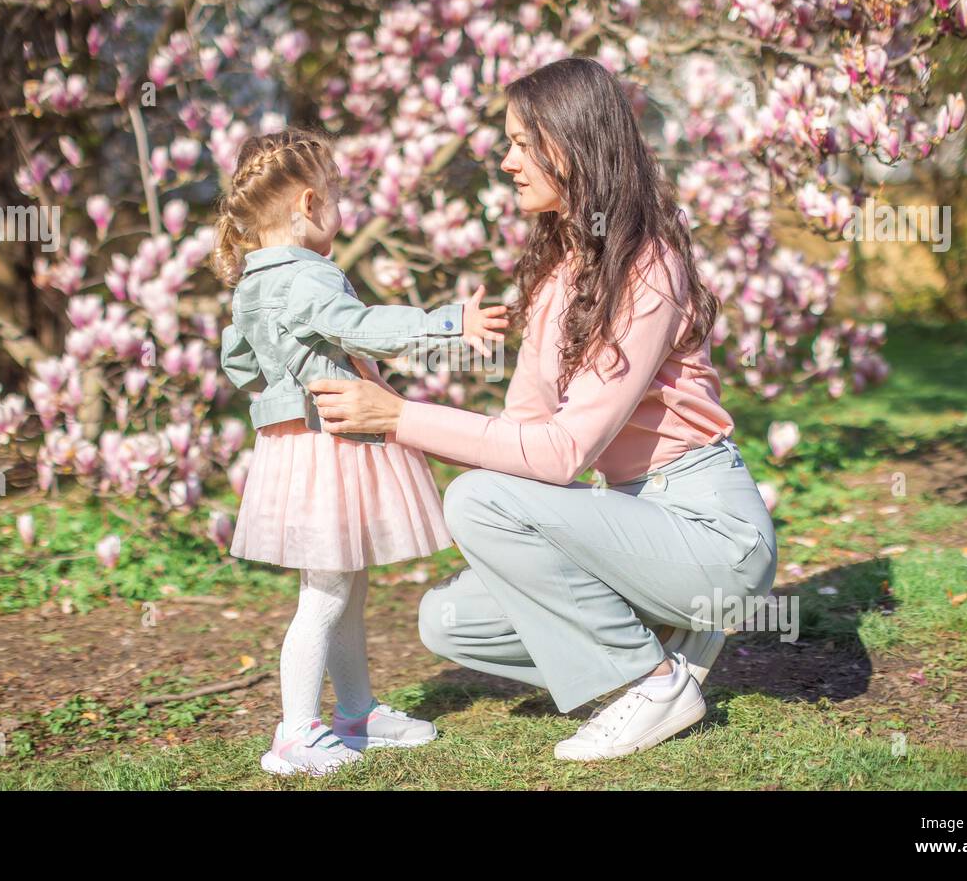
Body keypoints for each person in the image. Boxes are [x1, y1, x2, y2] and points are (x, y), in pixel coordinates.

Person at [306, 58, 778, 761]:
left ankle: (651, 682)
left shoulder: (648, 267)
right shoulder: (561, 277)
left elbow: (562, 455)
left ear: (575, 144)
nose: (507, 161)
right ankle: (659, 638)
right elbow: (525, 435)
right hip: (631, 524)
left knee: (476, 500)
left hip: (712, 536)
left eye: (524, 143)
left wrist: (400, 416)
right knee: (448, 619)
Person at [211, 128, 508, 775]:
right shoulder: (304, 275)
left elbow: (239, 363)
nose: (343, 208)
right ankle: (295, 731)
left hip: (296, 445)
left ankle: (355, 712)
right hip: (329, 442)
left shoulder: (251, 282)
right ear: (309, 203)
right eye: (338, 195)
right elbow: (360, 327)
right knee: (324, 594)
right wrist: (448, 322)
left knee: (344, 585)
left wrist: (280, 383)